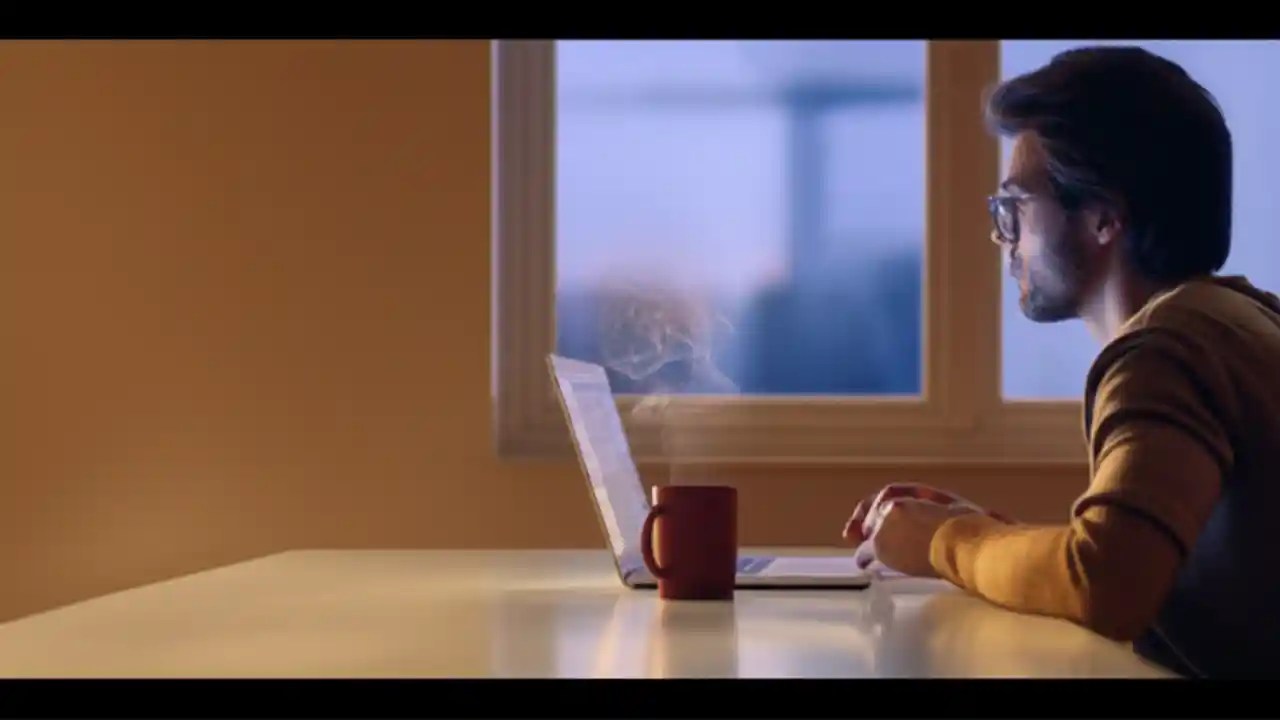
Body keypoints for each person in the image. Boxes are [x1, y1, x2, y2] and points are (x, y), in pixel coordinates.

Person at [842, 46, 1280, 678]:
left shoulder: (1163, 352)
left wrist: (944, 543)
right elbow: (1131, 559)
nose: (1004, 240)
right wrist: (989, 536)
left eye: (1014, 208)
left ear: (1103, 217)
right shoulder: (1237, 320)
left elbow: (1107, 581)